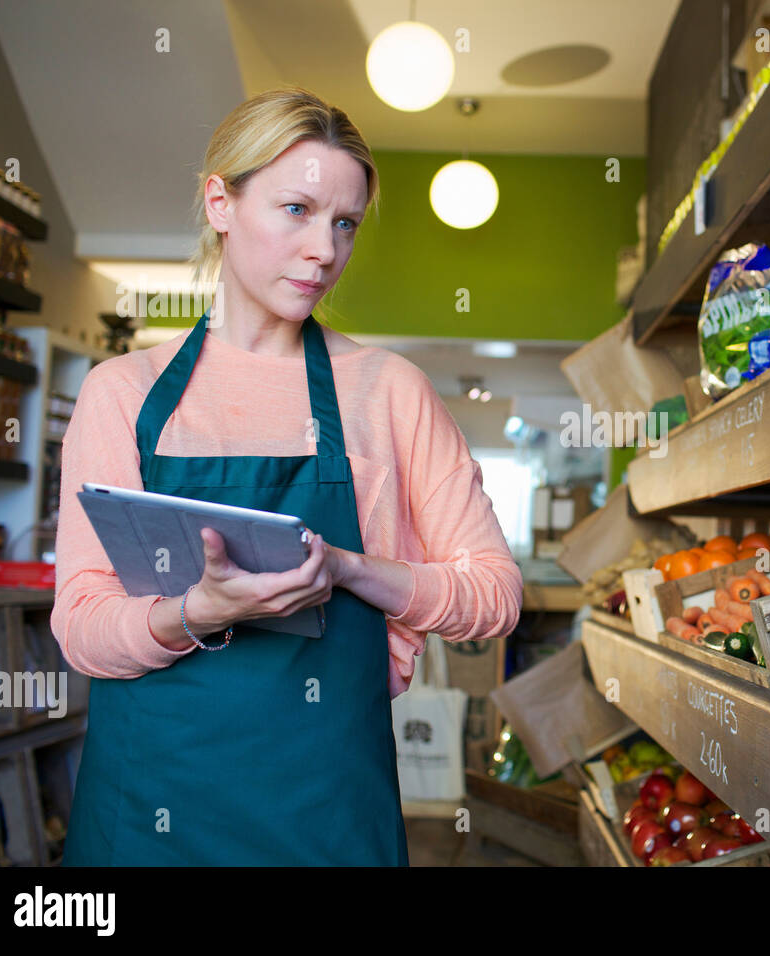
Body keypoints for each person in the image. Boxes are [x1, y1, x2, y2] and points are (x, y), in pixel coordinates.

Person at [51, 88, 523, 866]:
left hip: (326, 814)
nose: (324, 251)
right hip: (149, 817)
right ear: (221, 203)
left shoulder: (389, 392)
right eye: (297, 210)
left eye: (345, 224)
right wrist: (196, 612)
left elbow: (496, 596)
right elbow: (81, 630)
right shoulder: (123, 394)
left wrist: (349, 569)